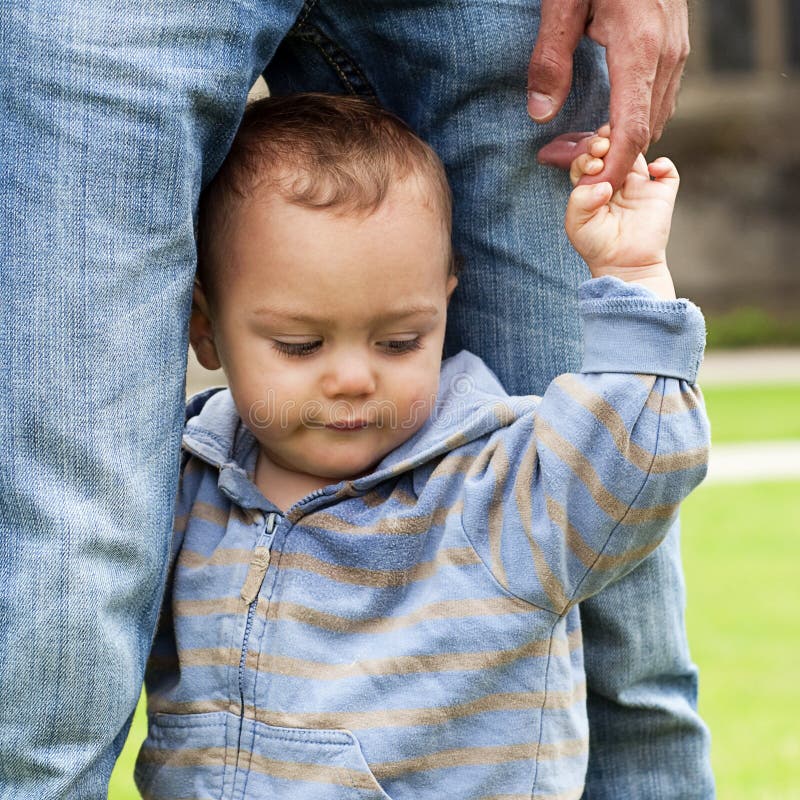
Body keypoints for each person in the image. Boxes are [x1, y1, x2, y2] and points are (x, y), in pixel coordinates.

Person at [1, 3, 712, 798]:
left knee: (628, 646)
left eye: (401, 341)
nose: (352, 379)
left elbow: (635, 467)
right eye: (301, 346)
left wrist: (634, 278)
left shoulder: (493, 494)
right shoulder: (185, 489)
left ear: (448, 304)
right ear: (203, 330)